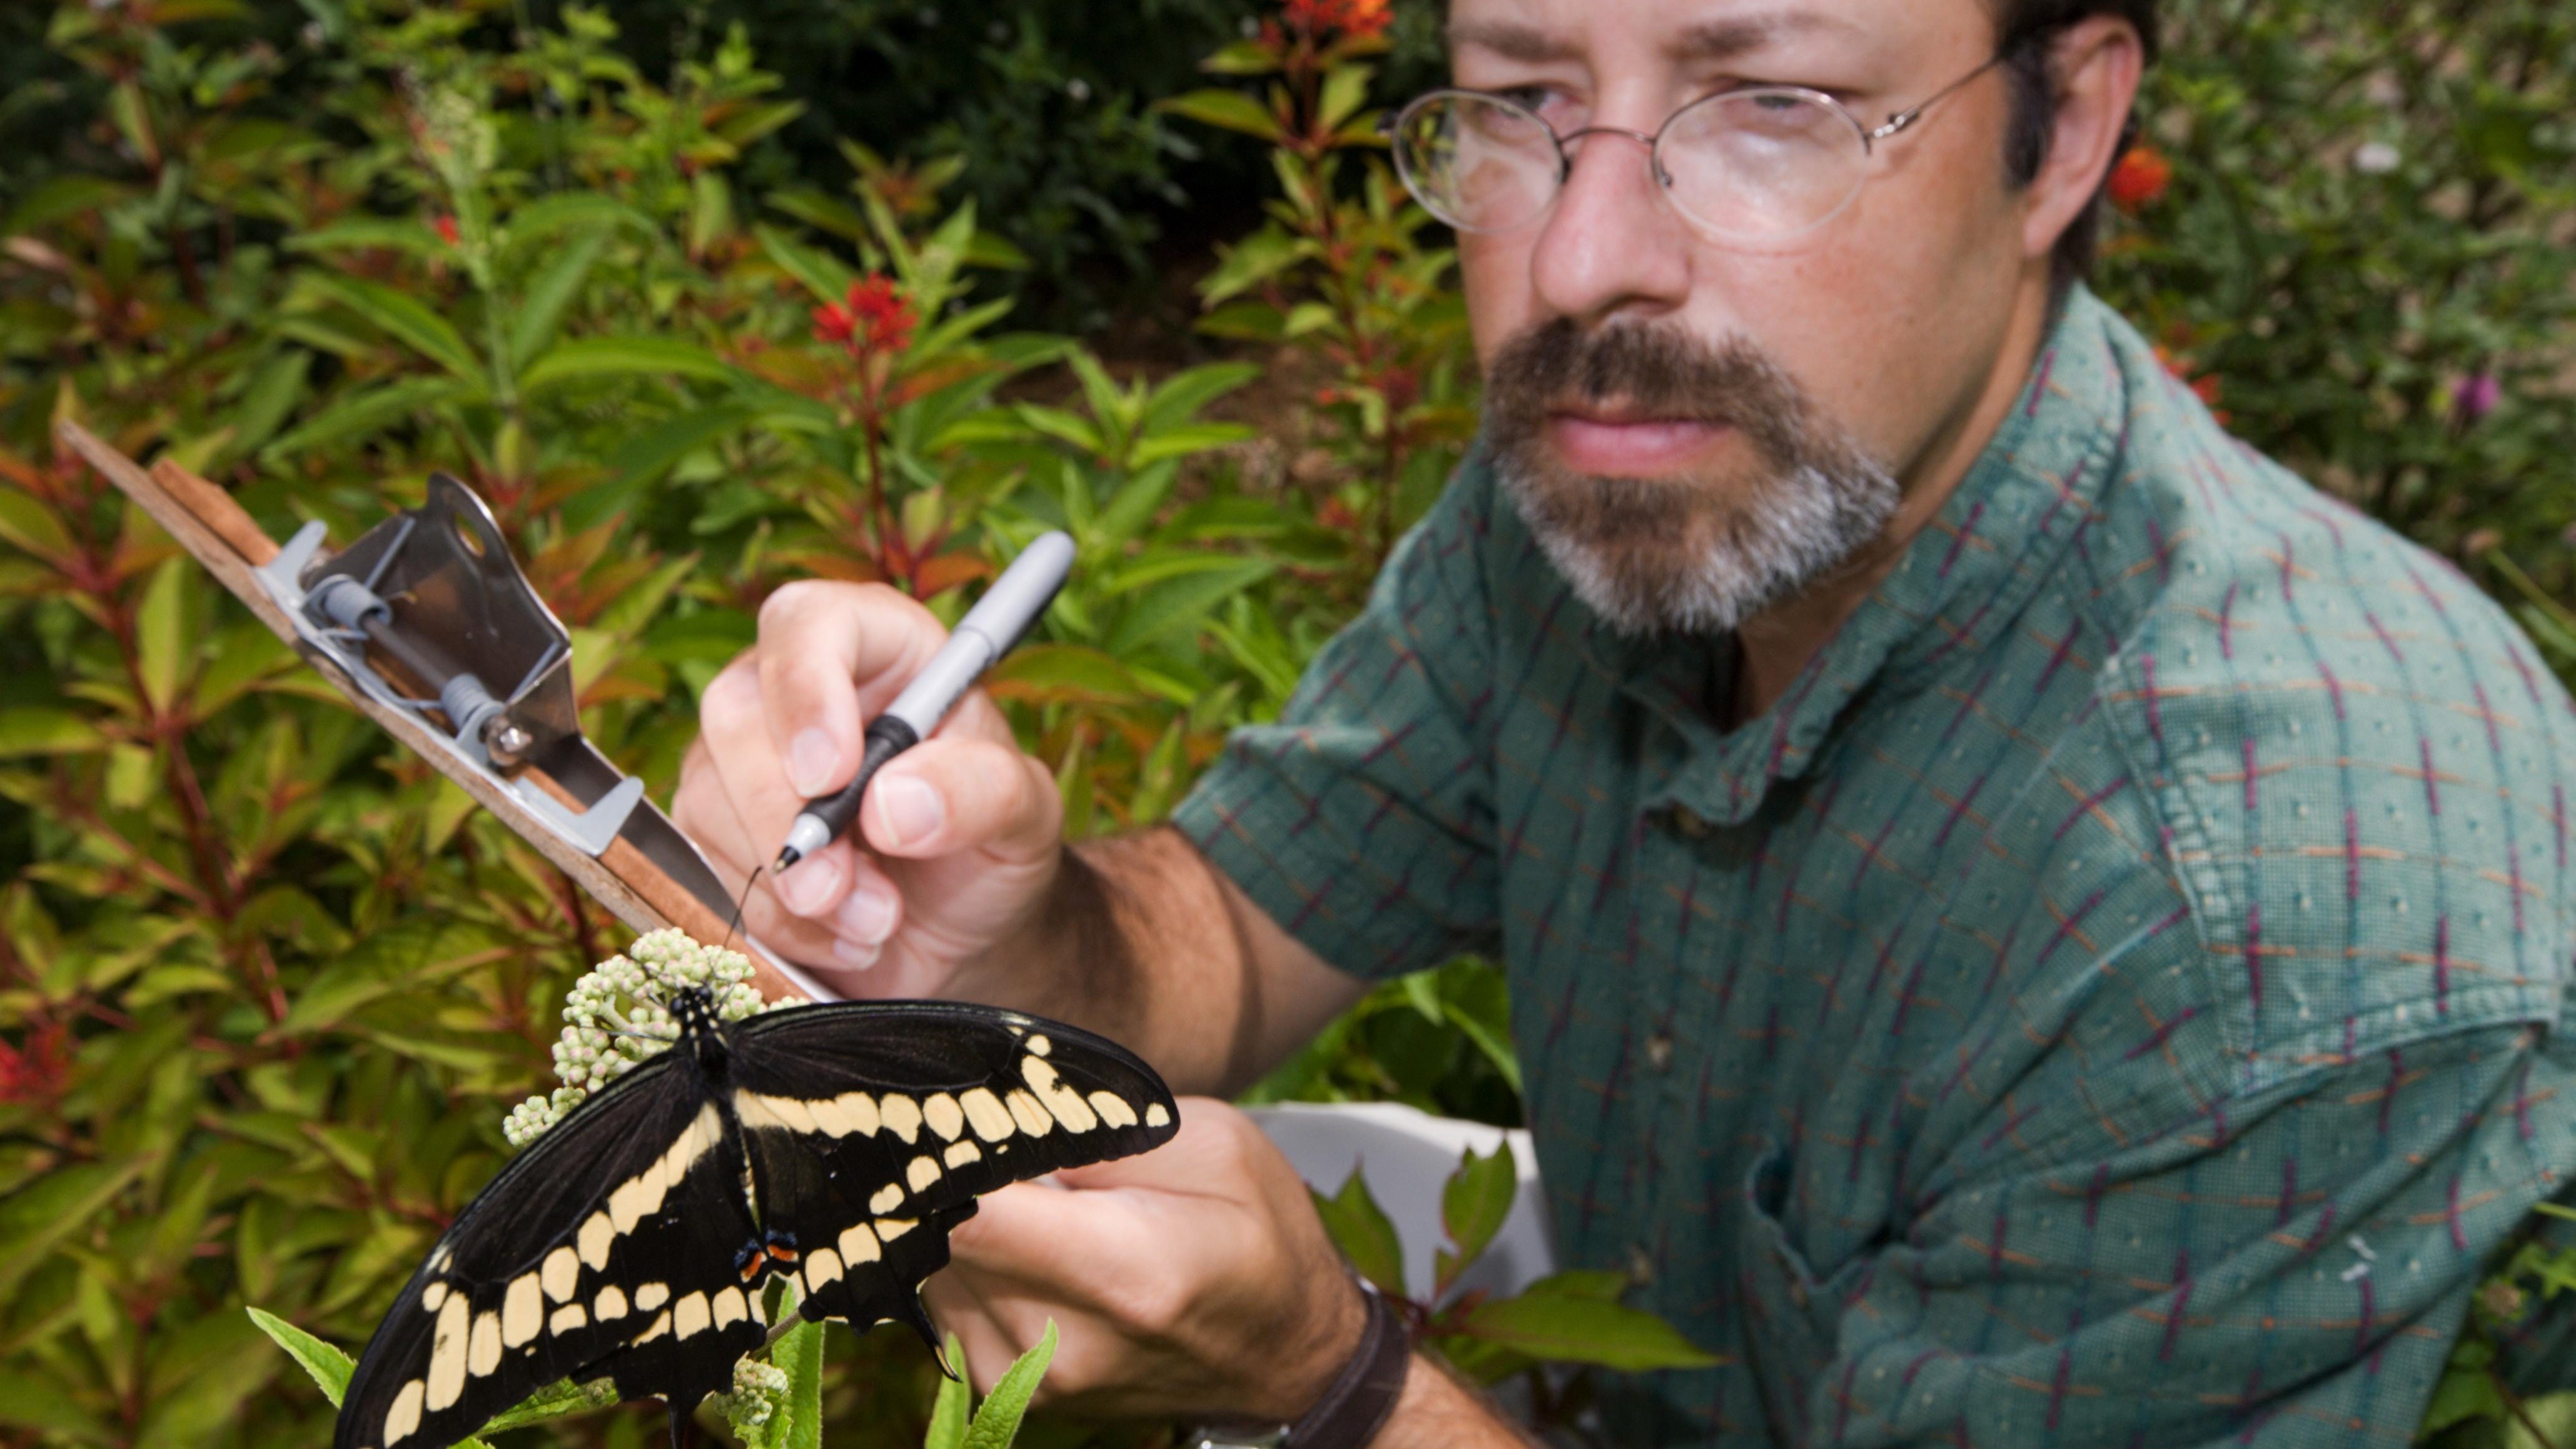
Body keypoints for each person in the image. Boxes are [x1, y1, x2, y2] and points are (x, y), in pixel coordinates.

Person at [676, 0, 2576, 1442]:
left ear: (2062, 127)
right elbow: (1228, 930)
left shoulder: (2249, 928)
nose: (1578, 263)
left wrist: (1327, 1382)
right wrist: (995, 933)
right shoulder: (1629, 487)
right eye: (1519, 102)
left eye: (1767, 106)